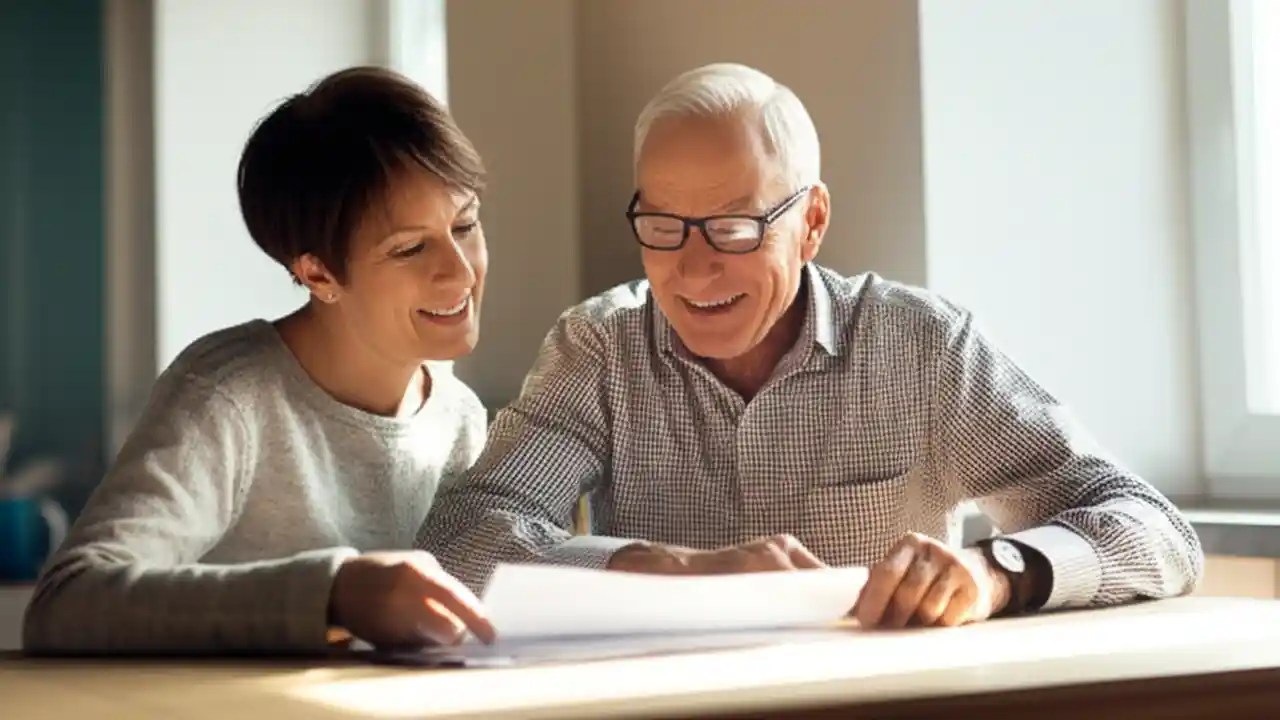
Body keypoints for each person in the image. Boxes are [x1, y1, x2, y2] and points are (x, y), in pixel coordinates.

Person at [420, 63, 1203, 629]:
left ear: (812, 222)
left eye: (734, 228)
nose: (693, 270)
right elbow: (462, 537)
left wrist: (993, 573)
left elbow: (1153, 529)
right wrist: (674, 571)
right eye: (662, 228)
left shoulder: (923, 347)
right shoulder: (600, 350)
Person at [24, 67, 495, 653]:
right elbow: (68, 601)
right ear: (317, 273)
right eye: (409, 248)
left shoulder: (459, 418)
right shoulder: (229, 395)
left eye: (465, 225)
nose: (459, 269)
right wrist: (333, 594)